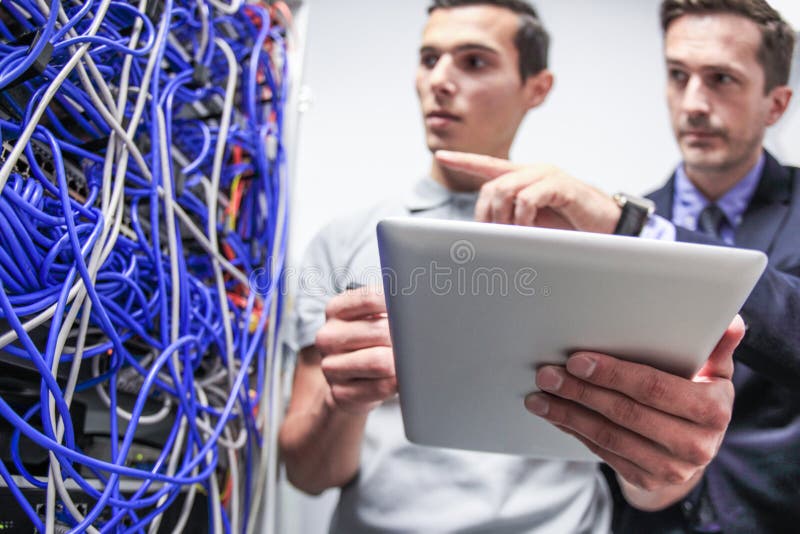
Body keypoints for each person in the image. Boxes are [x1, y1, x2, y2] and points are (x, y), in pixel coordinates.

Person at [279, 1, 744, 532]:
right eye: (429, 59)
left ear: (537, 87)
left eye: (474, 61)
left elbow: (651, 486)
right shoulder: (346, 242)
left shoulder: (601, 245)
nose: (441, 81)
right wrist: (345, 403)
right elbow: (308, 474)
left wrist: (675, 453)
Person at [436, 1, 799, 532]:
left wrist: (631, 229)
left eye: (721, 79)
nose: (693, 103)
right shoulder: (616, 225)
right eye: (678, 76)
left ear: (775, 103)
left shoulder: (623, 225)